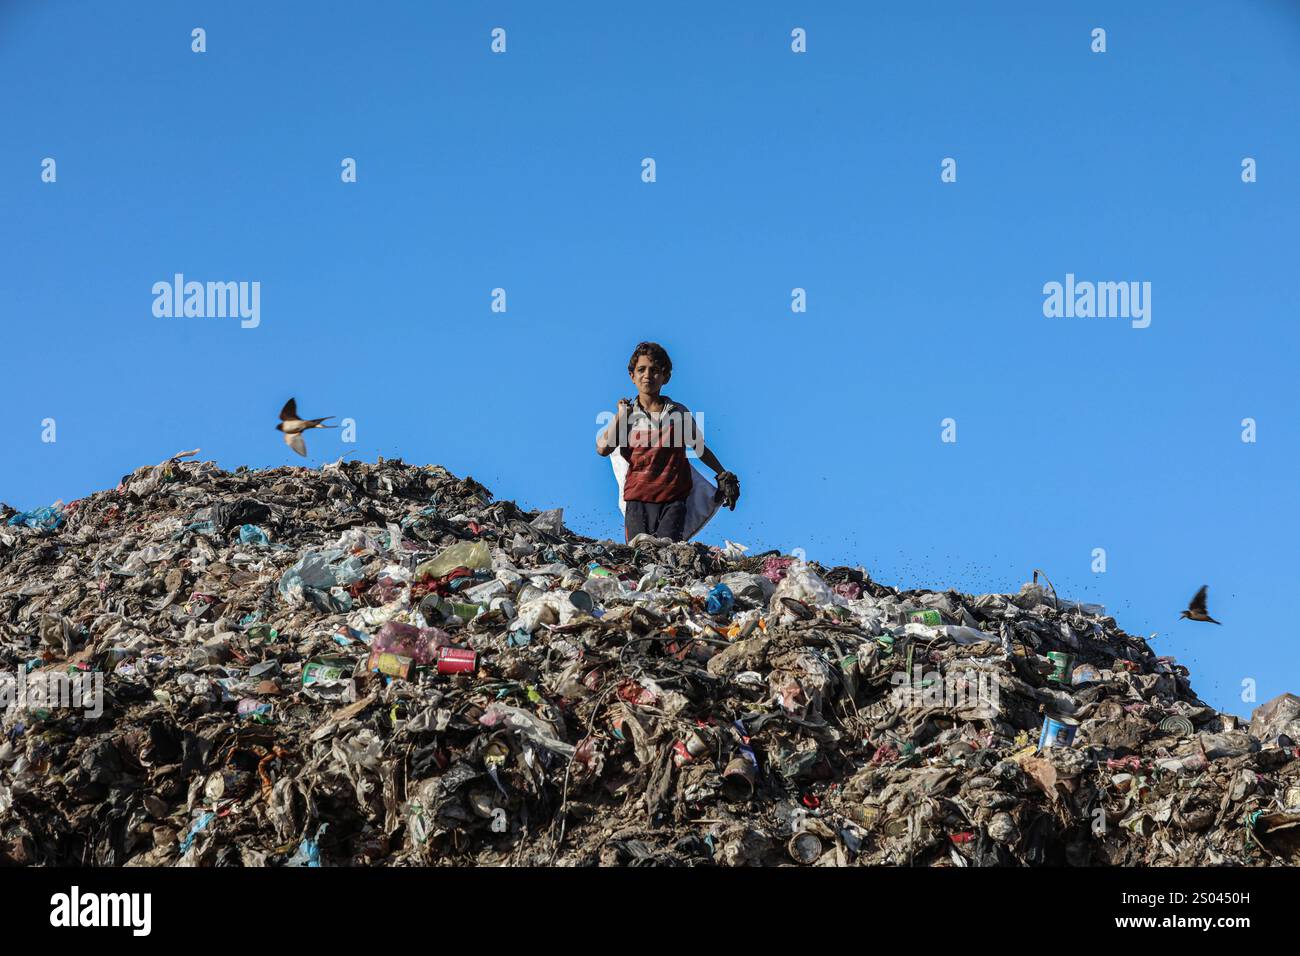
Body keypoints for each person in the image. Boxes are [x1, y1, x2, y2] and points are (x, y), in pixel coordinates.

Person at [596, 341, 740, 542]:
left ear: (666, 377)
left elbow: (699, 448)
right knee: (640, 553)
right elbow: (603, 448)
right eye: (641, 369)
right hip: (637, 499)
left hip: (673, 499)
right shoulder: (627, 416)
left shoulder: (678, 413)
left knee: (667, 552)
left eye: (655, 370)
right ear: (632, 376)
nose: (647, 375)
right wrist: (620, 416)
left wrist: (723, 474)